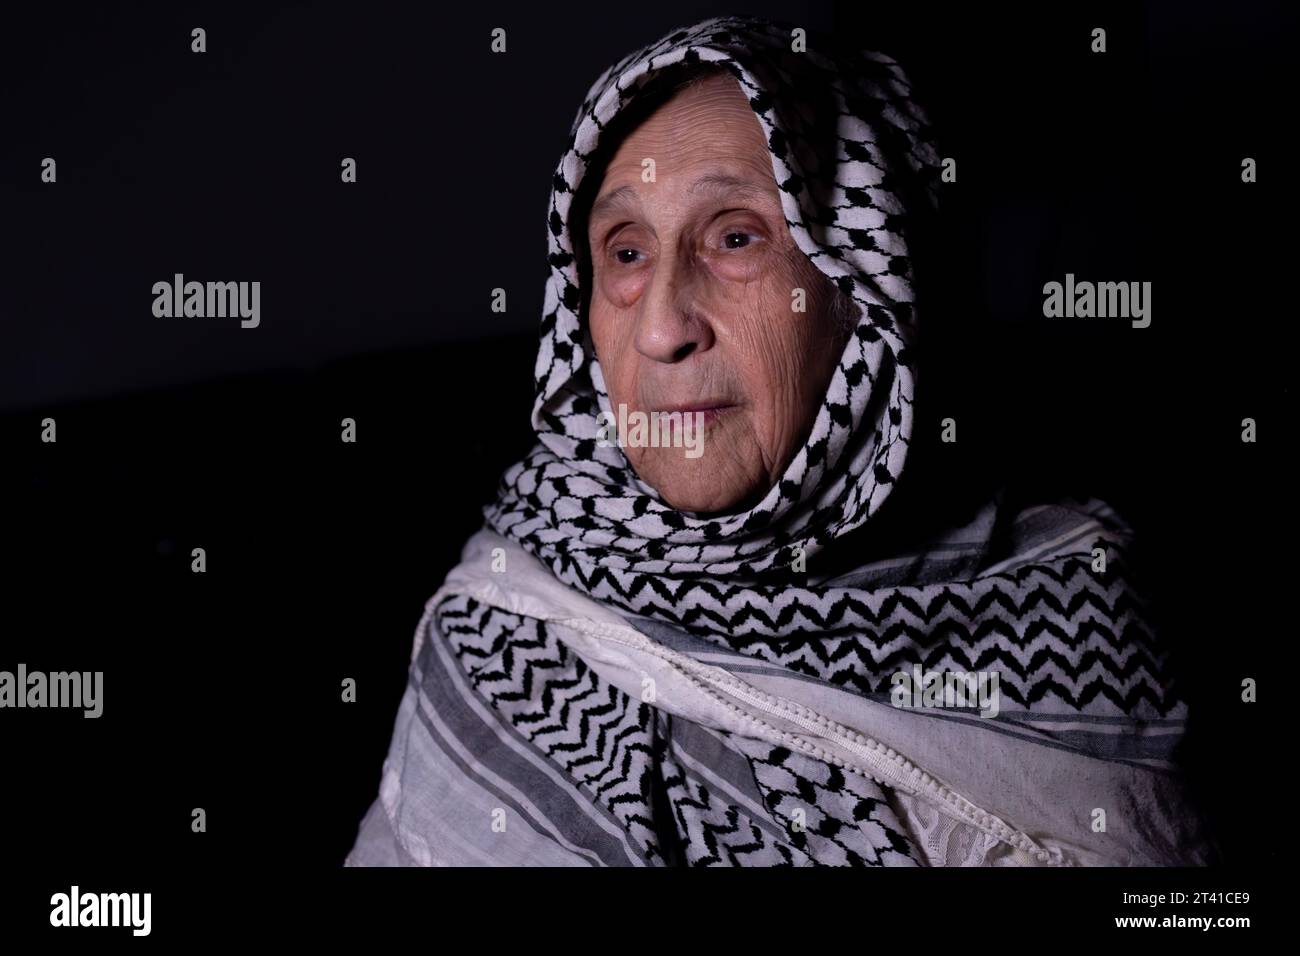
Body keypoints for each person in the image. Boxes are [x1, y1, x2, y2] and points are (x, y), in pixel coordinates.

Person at [346, 14, 1214, 866]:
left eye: (735, 237)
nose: (659, 329)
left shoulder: (1073, 611)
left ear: (867, 291)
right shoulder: (506, 611)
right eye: (625, 252)